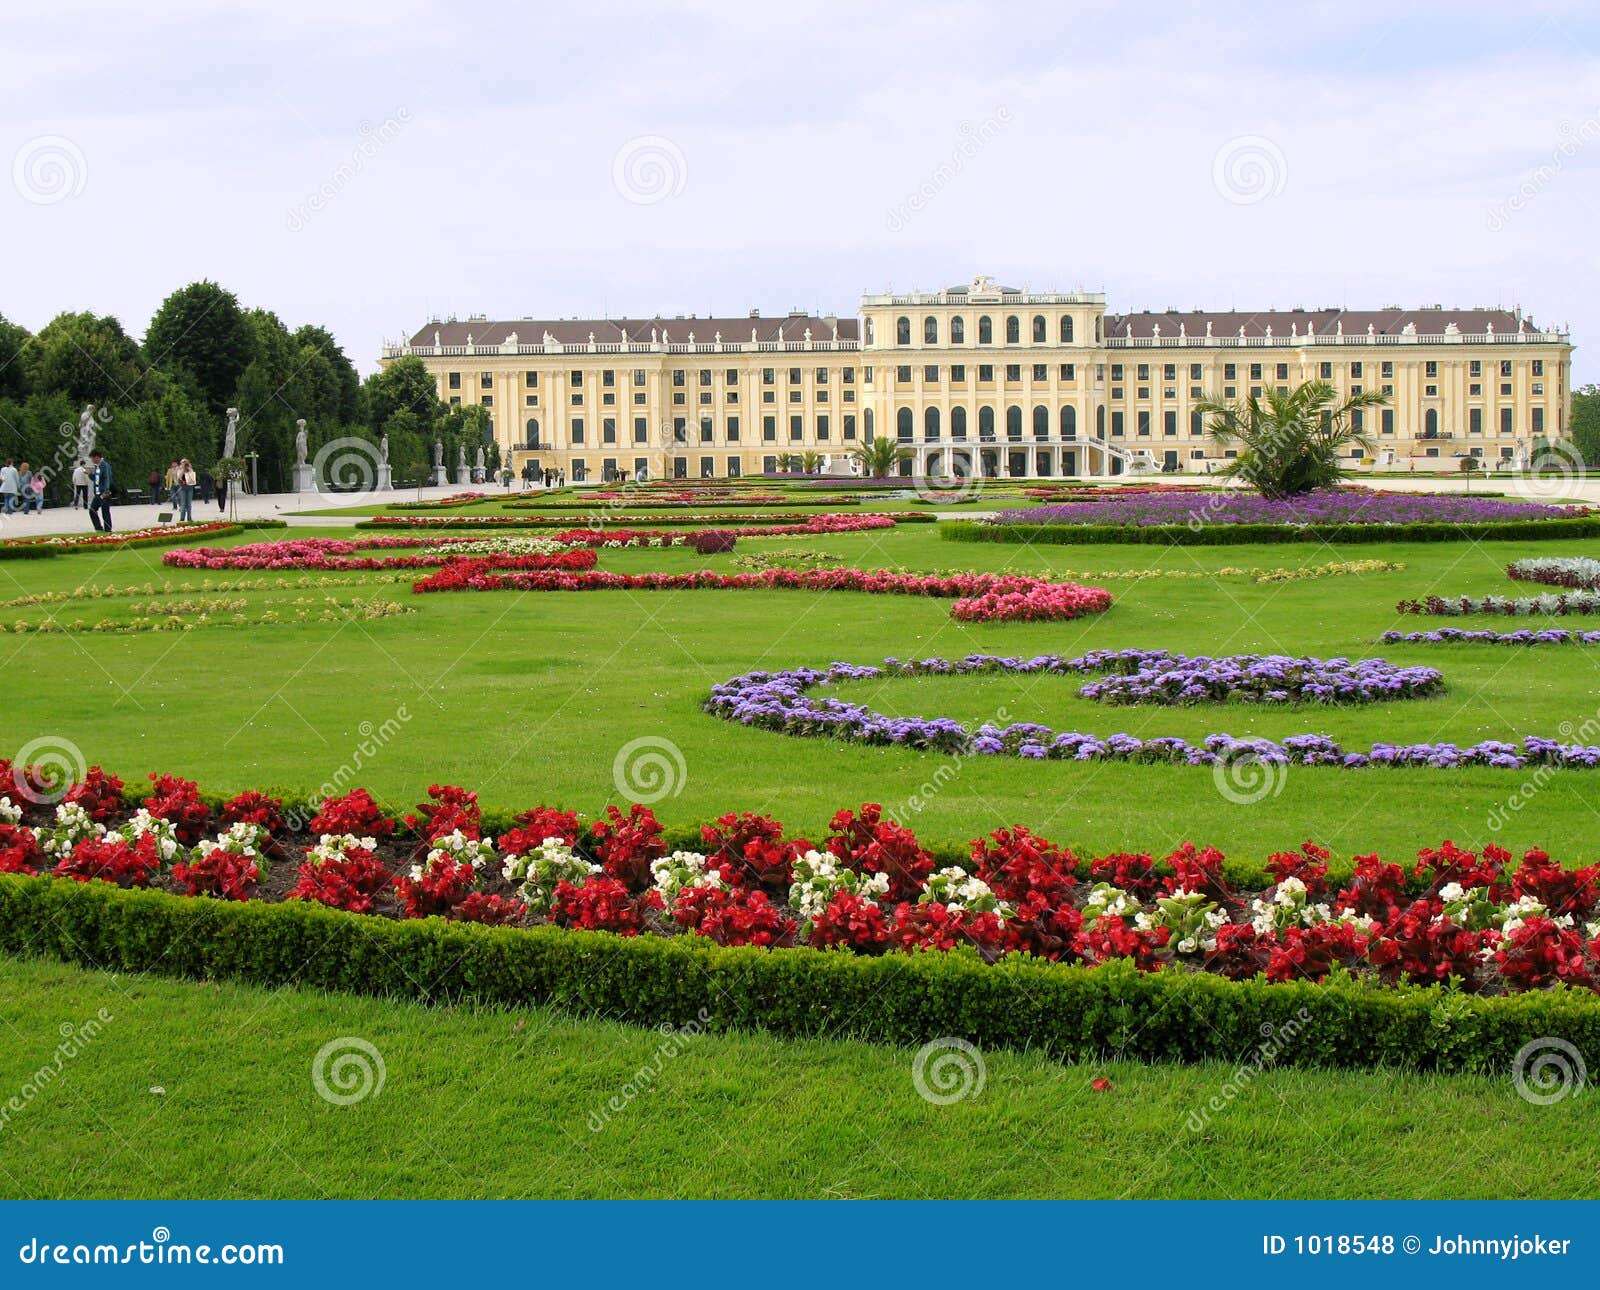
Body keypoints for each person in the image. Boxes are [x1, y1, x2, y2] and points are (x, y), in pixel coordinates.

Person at [88, 450, 113, 532]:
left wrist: (106, 491)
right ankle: (98, 528)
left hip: (104, 492)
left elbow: (107, 478)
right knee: (92, 510)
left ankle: (108, 529)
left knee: (105, 512)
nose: (92, 460)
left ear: (97, 457)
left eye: (92, 458)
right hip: (98, 493)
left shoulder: (105, 465)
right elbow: (96, 479)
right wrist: (89, 474)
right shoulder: (97, 466)